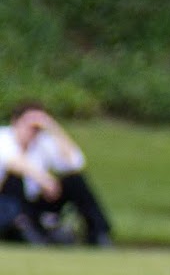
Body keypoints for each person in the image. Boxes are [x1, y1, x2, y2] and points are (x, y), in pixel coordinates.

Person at [0, 102, 114, 247]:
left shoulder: (42, 143)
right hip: (7, 202)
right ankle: (25, 230)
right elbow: (12, 162)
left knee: (75, 180)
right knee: (14, 179)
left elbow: (75, 163)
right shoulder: (3, 137)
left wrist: (52, 127)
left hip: (35, 202)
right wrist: (44, 179)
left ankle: (97, 233)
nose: (33, 132)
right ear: (15, 122)